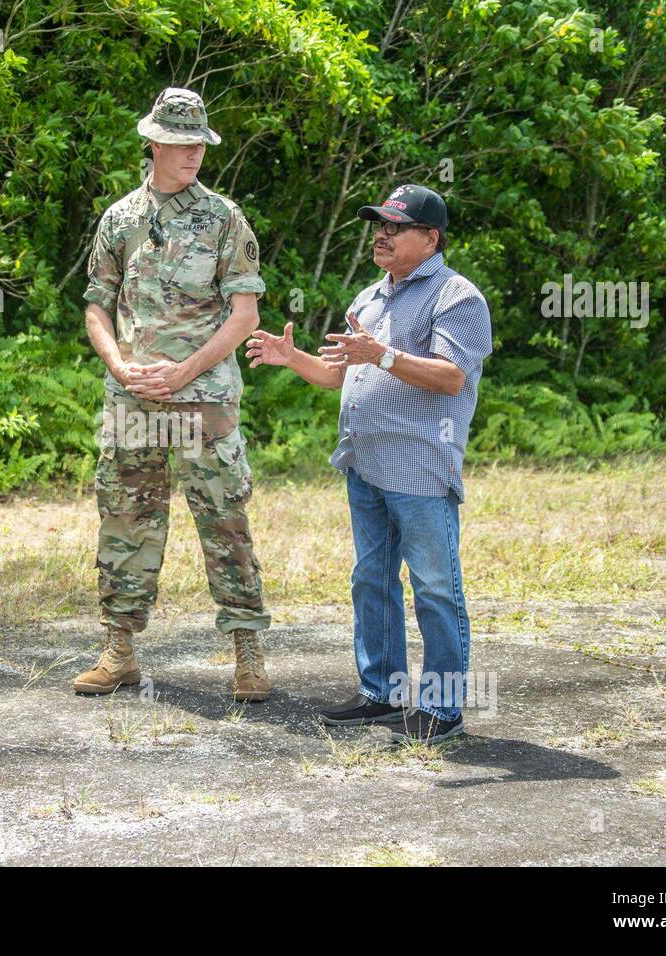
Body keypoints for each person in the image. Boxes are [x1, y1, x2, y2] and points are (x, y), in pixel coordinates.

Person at [245, 185, 492, 744]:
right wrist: (294, 359)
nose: (381, 233)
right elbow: (341, 374)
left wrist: (378, 353)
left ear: (430, 238)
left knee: (434, 587)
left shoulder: (457, 297)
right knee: (372, 580)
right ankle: (380, 693)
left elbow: (452, 376)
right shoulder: (371, 296)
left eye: (395, 226)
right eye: (378, 224)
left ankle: (443, 708)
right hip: (366, 464)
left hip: (422, 469)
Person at [79, 87, 273, 702]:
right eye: (183, 143)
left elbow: (243, 315)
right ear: (154, 143)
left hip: (204, 398)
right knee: (126, 518)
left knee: (224, 517)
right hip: (135, 399)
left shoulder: (224, 218)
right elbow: (96, 308)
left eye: (201, 144)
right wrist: (120, 367)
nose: (194, 154)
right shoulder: (120, 219)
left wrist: (184, 371)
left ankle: (247, 651)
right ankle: (120, 648)